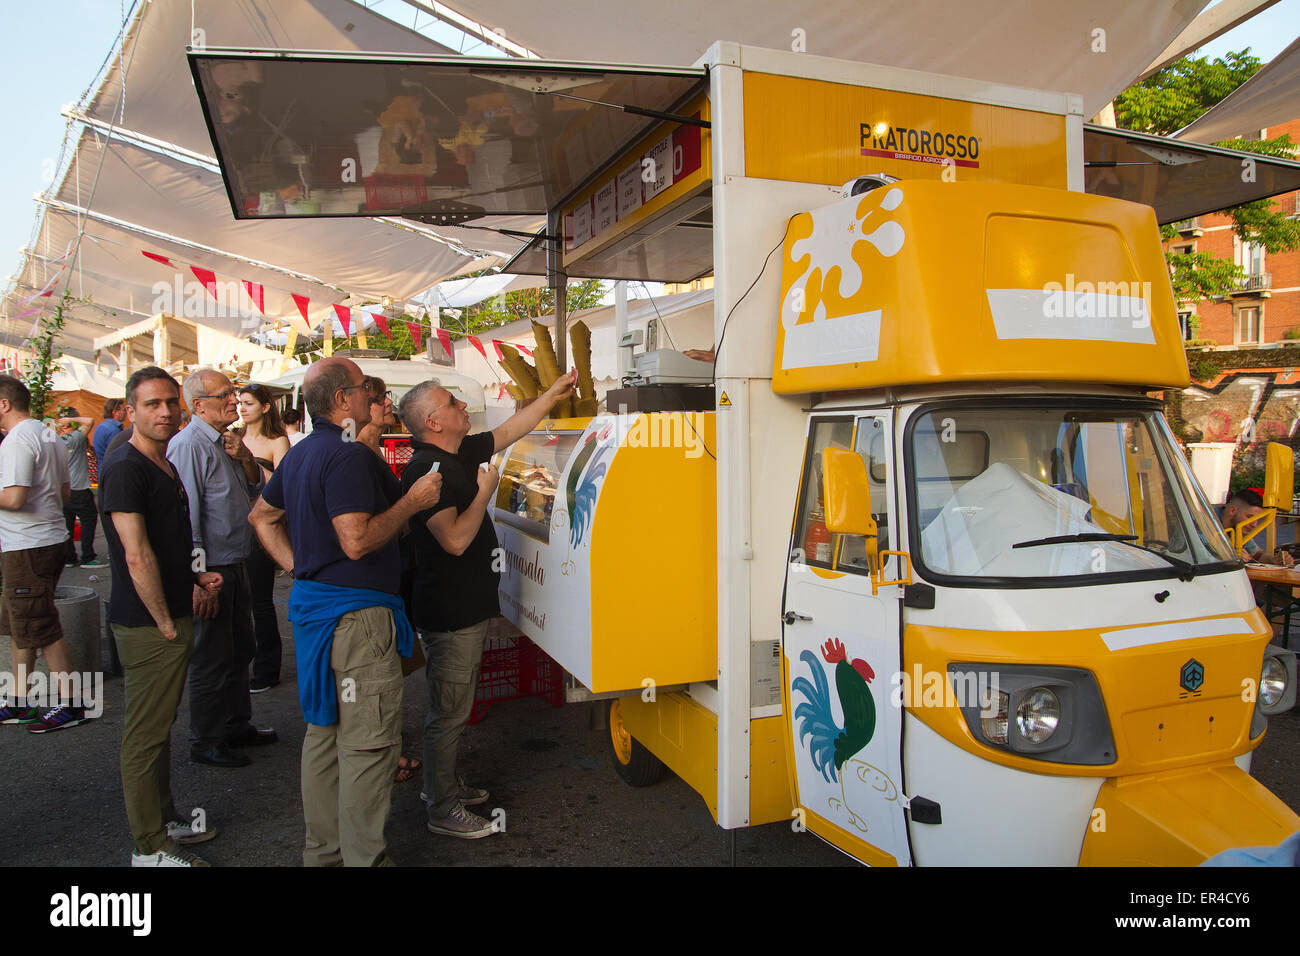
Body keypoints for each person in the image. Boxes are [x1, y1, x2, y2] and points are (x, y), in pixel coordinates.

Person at [248, 357, 441, 866]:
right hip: (355, 620)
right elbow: (356, 540)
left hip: (316, 613)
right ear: (341, 400)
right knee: (368, 747)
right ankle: (365, 860)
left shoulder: (301, 454)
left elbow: (262, 518)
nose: (370, 397)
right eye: (362, 389)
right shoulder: (347, 455)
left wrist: (304, 569)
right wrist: (413, 502)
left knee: (324, 737)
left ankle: (325, 855)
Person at [397, 368, 576, 838]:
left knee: (452, 707)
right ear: (433, 422)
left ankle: (443, 784)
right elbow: (455, 540)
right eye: (451, 403)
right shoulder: (427, 469)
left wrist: (552, 395)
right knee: (449, 712)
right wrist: (485, 493)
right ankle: (441, 808)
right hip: (449, 613)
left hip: (467, 606)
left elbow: (510, 430)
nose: (461, 405)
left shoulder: (459, 452)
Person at [100, 366, 225, 866]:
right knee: (145, 735)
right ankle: (149, 847)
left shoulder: (161, 461)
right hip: (148, 622)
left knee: (159, 726)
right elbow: (135, 554)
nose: (165, 411)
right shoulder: (125, 466)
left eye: (171, 401)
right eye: (152, 404)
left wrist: (192, 581)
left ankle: (163, 817)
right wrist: (165, 620)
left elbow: (166, 543)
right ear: (130, 410)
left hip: (168, 611)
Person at [169, 370, 277, 769]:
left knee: (239, 648)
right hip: (212, 569)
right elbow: (188, 516)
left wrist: (246, 457)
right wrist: (198, 577)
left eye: (234, 393)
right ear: (199, 405)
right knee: (212, 656)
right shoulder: (189, 445)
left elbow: (253, 492)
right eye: (225, 395)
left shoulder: (225, 441)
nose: (235, 400)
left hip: (235, 562)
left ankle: (235, 725)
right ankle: (207, 739)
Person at [0, 378, 87, 732]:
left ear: (4, 404)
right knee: (20, 623)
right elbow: (65, 493)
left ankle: (71, 704)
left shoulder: (18, 440)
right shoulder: (49, 434)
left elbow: (15, 499)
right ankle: (20, 701)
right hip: (45, 540)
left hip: (27, 547)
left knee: (42, 625)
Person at [236, 384, 290, 693]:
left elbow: (282, 487)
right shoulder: (234, 437)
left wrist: (249, 463)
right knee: (239, 602)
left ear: (265, 407)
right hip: (234, 527)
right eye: (240, 403)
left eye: (249, 403)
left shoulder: (276, 441)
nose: (243, 408)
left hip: (263, 529)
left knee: (260, 600)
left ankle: (267, 669)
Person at [56, 410, 104, 568]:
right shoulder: (75, 438)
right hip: (79, 488)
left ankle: (69, 557)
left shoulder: (55, 440)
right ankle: (88, 556)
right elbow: (89, 420)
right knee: (89, 520)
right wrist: (70, 419)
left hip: (62, 488)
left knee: (67, 523)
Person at [1221, 488, 1295, 567]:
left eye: (1257, 519)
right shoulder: (1209, 522)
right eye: (1250, 517)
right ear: (1232, 510)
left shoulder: (1239, 529)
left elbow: (1258, 554)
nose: (1254, 524)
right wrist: (1230, 557)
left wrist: (1273, 560)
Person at [93, 398, 126, 463]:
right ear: (115, 412)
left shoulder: (101, 426)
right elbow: (118, 455)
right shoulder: (114, 430)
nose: (126, 413)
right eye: (124, 410)